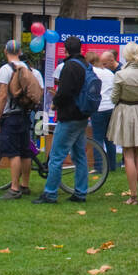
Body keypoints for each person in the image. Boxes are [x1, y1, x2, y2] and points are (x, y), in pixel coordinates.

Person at [36, 36, 93, 204]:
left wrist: (55, 104)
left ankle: (50, 193)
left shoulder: (69, 66)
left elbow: (65, 92)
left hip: (69, 116)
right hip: (82, 114)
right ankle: (81, 192)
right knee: (79, 156)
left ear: (66, 50)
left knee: (56, 156)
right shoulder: (85, 65)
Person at [109, 41, 138, 205]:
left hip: (126, 111)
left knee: (128, 154)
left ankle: (133, 196)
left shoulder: (121, 74)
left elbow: (114, 97)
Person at [0, 39, 37, 199]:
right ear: (20, 52)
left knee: (13, 153)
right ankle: (25, 184)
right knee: (25, 151)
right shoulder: (26, 67)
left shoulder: (5, 69)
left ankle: (14, 188)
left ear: (6, 51)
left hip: (11, 115)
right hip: (25, 113)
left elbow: (3, 94)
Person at [90, 49, 118, 175]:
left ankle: (99, 167)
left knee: (97, 138)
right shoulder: (110, 73)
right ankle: (112, 165)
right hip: (110, 107)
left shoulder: (92, 72)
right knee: (109, 139)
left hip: (99, 108)